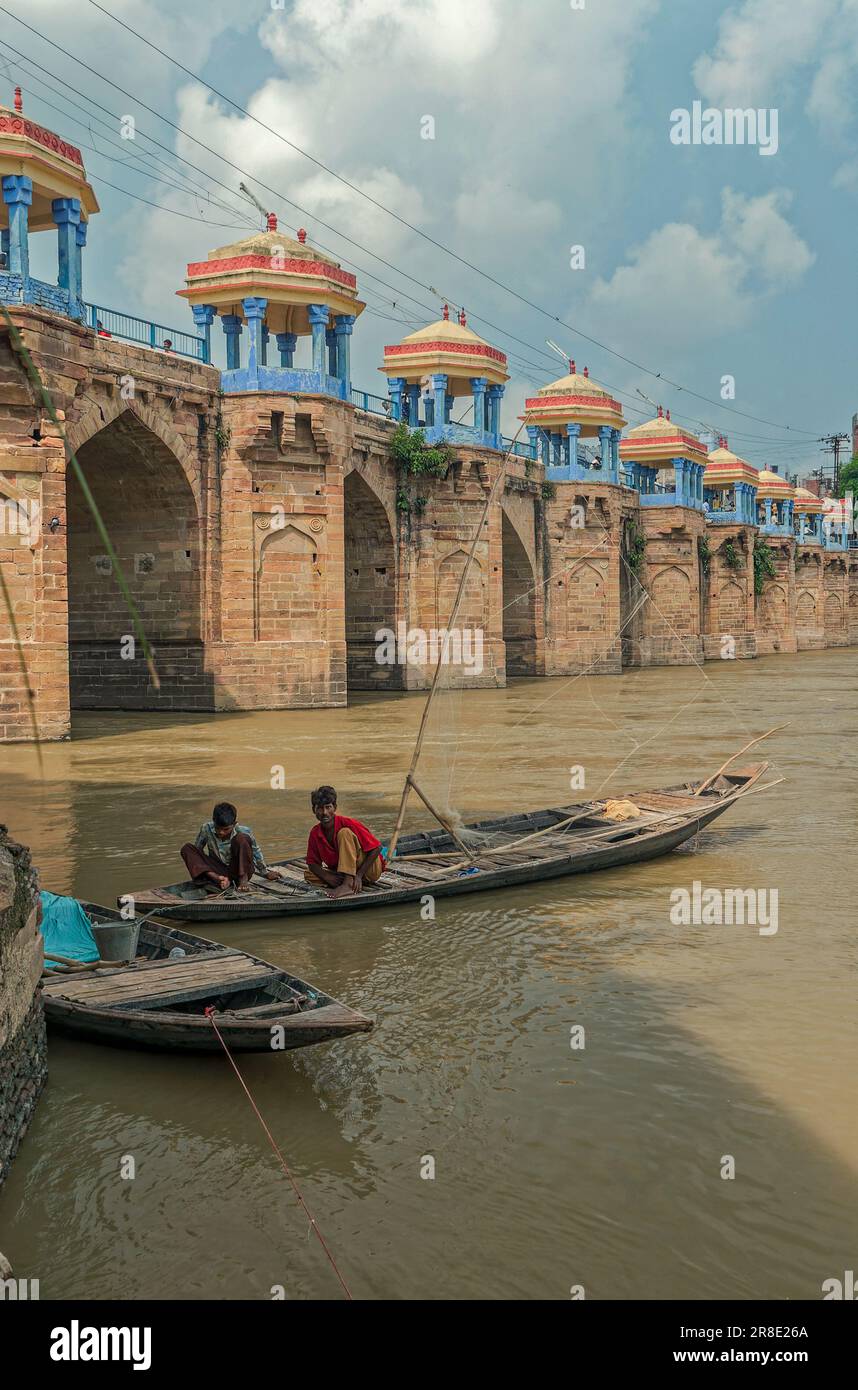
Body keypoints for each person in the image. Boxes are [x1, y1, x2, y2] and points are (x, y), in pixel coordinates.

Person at [180, 802, 282, 893]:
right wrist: (203, 868)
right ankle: (218, 879)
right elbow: (198, 852)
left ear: (234, 824)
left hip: (238, 871)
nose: (221, 832)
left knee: (241, 838)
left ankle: (242, 881)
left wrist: (265, 873)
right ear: (213, 821)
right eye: (218, 828)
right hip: (218, 870)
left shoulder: (244, 831)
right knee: (187, 848)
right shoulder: (206, 828)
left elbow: (256, 852)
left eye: (226, 829)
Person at [304, 786, 384, 898]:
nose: (324, 812)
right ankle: (346, 880)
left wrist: (359, 876)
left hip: (368, 871)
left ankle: (347, 884)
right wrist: (328, 877)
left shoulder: (348, 823)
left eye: (328, 807)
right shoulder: (315, 832)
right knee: (308, 874)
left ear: (335, 807)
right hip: (342, 873)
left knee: (344, 833)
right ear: (314, 810)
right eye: (320, 808)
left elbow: (377, 848)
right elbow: (312, 864)